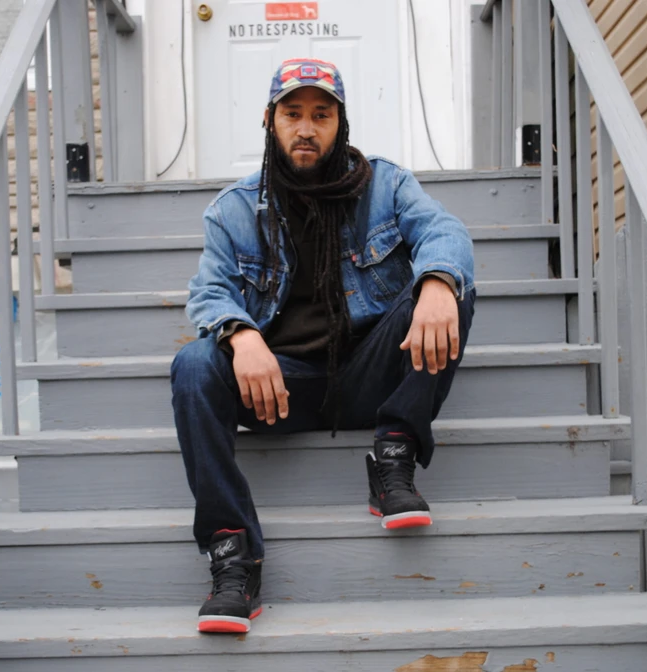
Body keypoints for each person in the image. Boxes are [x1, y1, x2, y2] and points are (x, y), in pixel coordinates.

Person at [171, 57, 475, 634]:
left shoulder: (385, 184)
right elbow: (210, 292)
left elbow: (444, 230)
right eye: (292, 114)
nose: (306, 128)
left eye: (321, 115)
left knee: (448, 285)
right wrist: (241, 334)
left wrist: (438, 281)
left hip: (370, 377)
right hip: (277, 391)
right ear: (269, 121)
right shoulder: (234, 210)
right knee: (194, 363)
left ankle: (395, 454)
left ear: (342, 123)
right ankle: (233, 555)